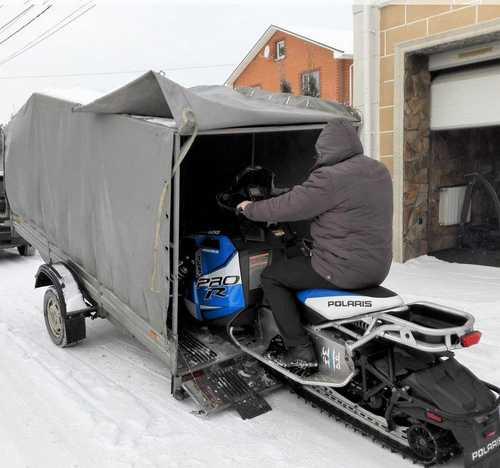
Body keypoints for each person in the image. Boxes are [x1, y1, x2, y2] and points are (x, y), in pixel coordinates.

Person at [237, 119, 393, 369]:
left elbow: (289, 206)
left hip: (342, 268)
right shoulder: (377, 170)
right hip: (378, 267)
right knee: (302, 257)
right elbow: (317, 197)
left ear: (327, 148)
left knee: (273, 277)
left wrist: (250, 208)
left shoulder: (330, 177)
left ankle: (299, 349)